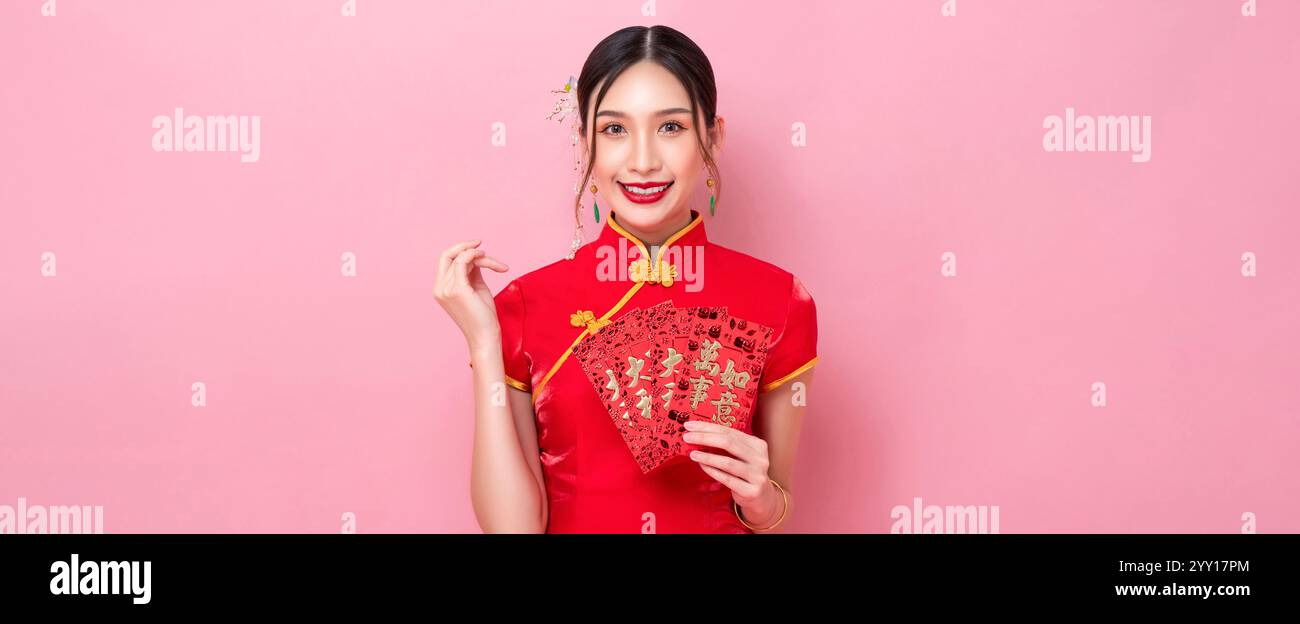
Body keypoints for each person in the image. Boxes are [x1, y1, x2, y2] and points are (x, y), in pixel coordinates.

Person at [435, 25, 817, 533]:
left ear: (712, 136)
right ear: (584, 142)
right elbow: (513, 529)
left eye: (671, 127)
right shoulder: (527, 304)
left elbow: (777, 514)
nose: (642, 162)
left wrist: (763, 500)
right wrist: (485, 345)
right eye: (615, 129)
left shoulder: (778, 300)